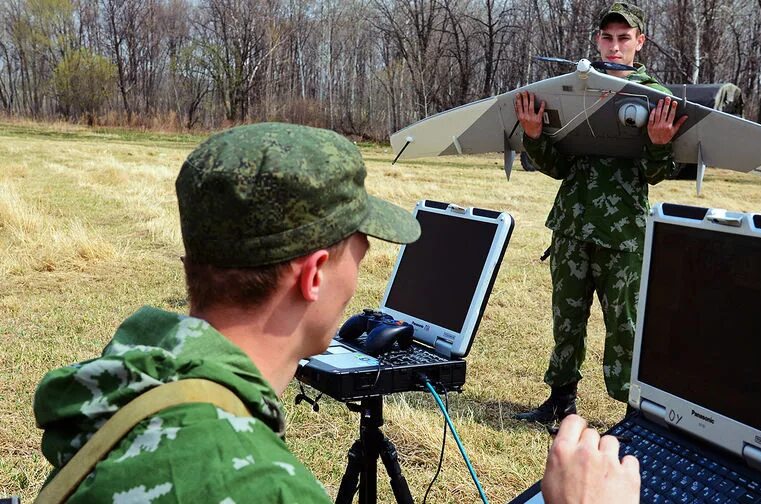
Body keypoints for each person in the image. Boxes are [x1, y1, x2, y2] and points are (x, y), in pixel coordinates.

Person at [33, 122, 638, 503]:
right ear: (315, 275)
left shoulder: (138, 384)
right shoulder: (257, 485)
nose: (366, 262)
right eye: (361, 244)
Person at [514, 2, 688, 423]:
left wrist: (659, 144)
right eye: (607, 38)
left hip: (622, 236)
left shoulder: (657, 98)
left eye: (624, 38)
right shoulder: (576, 89)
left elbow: (655, 174)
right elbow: (560, 167)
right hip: (572, 227)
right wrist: (534, 137)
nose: (614, 46)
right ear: (597, 40)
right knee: (566, 320)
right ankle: (560, 400)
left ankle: (634, 416)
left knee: (625, 326)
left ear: (639, 42)